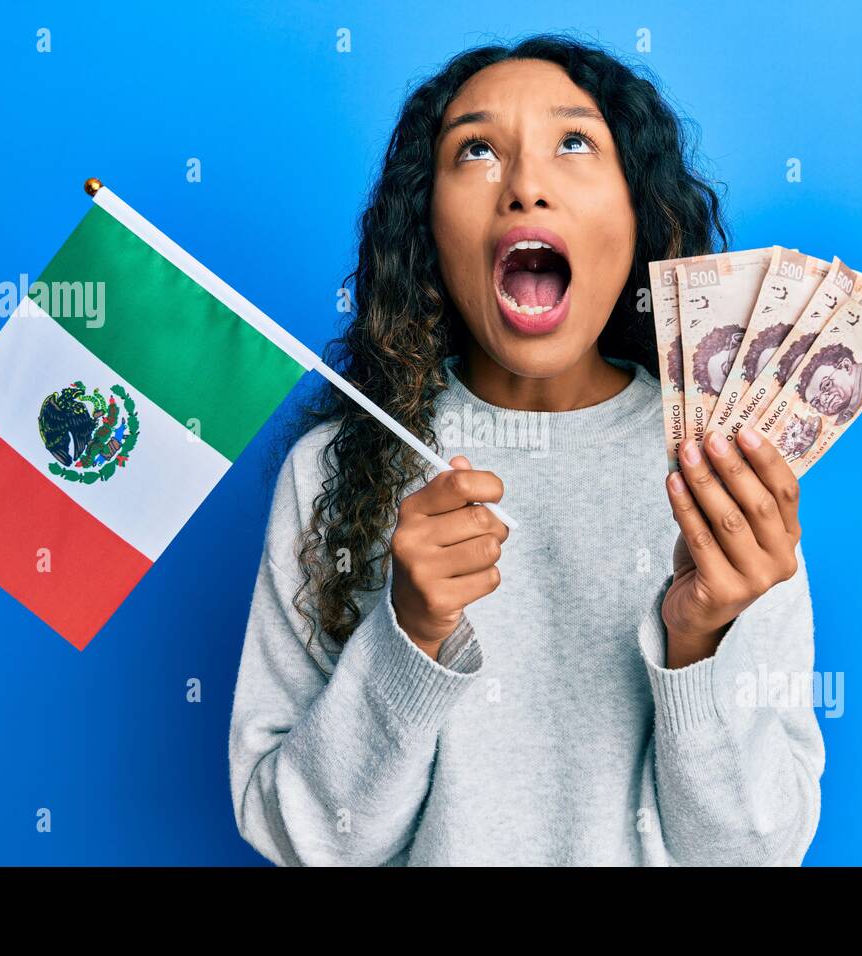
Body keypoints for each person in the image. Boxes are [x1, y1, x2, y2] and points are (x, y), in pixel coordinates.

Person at [228, 34, 823, 866]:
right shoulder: (336, 469)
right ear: (426, 225)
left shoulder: (727, 472)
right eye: (475, 150)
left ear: (635, 208)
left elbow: (752, 853)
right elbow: (298, 838)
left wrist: (700, 641)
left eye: (574, 142)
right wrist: (409, 636)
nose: (527, 187)